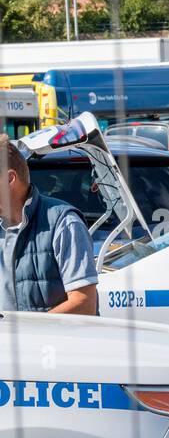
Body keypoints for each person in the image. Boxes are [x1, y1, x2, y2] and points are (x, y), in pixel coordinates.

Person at [0, 134, 97, 314]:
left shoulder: (63, 222)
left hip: (54, 342)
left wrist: (29, 334)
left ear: (9, 179)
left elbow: (84, 303)